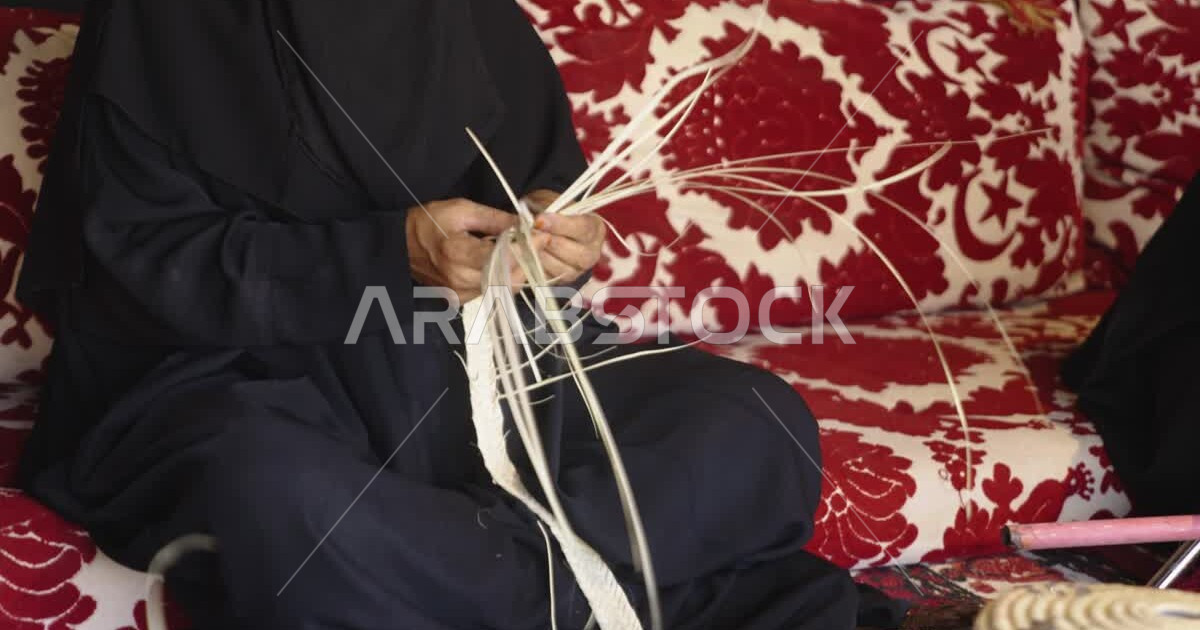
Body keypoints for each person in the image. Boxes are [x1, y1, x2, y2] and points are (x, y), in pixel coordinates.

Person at [16, 2, 907, 628]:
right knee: (286, 506)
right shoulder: (165, 24)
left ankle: (492, 594)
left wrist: (557, 245)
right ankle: (574, 596)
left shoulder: (471, 18)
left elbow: (538, 216)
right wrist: (380, 254)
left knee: (756, 421)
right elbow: (136, 262)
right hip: (245, 386)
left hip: (470, 378)